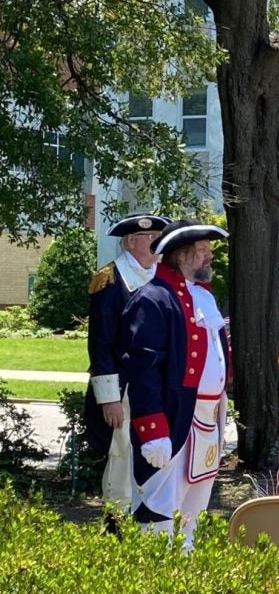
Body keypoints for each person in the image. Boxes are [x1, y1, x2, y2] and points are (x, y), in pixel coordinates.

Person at [117, 218, 229, 548]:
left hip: (206, 422)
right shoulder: (153, 299)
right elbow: (143, 369)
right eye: (203, 250)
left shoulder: (204, 298)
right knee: (159, 513)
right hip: (173, 421)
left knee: (192, 514)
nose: (209, 256)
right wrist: (152, 430)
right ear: (182, 256)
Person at [84, 213, 171, 516]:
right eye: (152, 239)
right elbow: (101, 343)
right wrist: (108, 398)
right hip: (123, 390)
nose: (158, 245)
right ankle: (116, 527)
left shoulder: (161, 277)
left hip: (154, 387)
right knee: (121, 458)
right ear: (131, 241)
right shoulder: (110, 280)